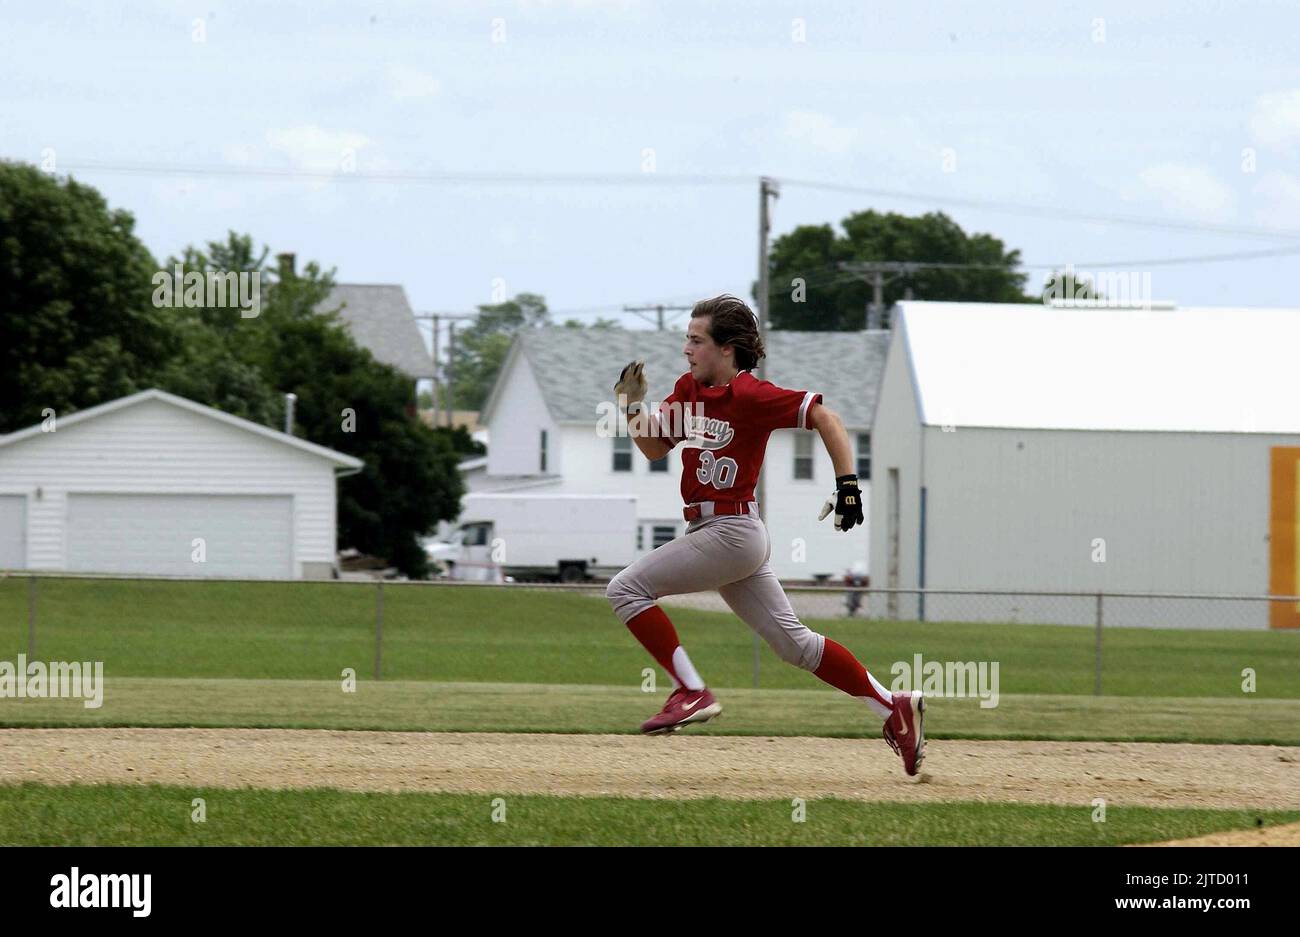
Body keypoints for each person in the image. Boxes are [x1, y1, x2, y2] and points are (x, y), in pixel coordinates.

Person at [604, 295, 925, 776]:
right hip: (721, 533)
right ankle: (891, 707)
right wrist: (631, 405)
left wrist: (848, 486)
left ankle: (692, 691)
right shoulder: (689, 390)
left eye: (697, 340)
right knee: (794, 646)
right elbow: (652, 446)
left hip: (731, 530)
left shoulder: (751, 395)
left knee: (625, 588)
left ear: (727, 349)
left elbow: (826, 417)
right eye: (687, 339)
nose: (687, 349)